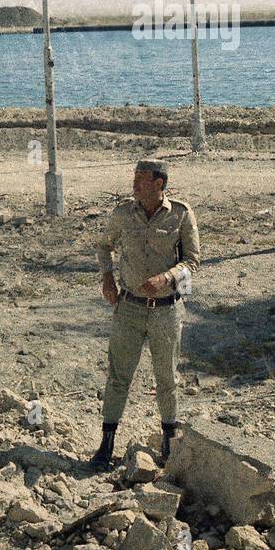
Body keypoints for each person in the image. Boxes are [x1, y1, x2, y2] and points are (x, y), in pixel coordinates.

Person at [91, 158, 200, 471]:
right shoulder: (122, 213)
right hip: (129, 308)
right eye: (134, 177)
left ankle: (169, 443)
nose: (135, 183)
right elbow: (104, 246)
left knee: (166, 379)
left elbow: (192, 262)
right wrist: (107, 277)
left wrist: (167, 278)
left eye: (142, 178)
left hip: (167, 312)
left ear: (159, 184)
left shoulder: (181, 213)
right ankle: (106, 443)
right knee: (118, 377)